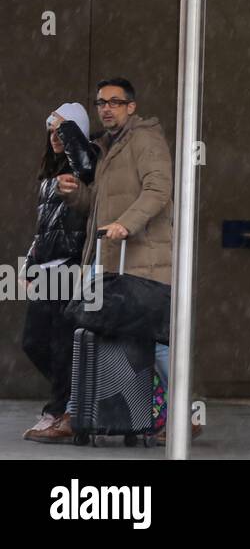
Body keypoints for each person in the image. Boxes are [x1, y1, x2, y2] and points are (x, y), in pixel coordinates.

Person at [48, 79, 181, 442]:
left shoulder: (146, 140)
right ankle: (83, 413)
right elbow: (97, 209)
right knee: (91, 333)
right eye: (101, 103)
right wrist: (76, 195)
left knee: (158, 343)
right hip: (107, 259)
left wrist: (127, 223)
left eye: (115, 103)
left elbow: (159, 189)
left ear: (131, 107)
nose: (106, 108)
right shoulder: (106, 148)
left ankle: (183, 416)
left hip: (141, 260)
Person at [22, 103, 97, 442]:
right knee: (35, 342)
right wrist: (29, 264)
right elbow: (43, 231)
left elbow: (86, 163)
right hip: (45, 272)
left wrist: (68, 129)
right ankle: (74, 398)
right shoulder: (49, 173)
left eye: (62, 130)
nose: (54, 137)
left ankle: (57, 410)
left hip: (70, 269)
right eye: (51, 131)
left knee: (62, 344)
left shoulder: (85, 164)